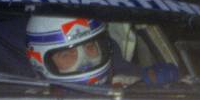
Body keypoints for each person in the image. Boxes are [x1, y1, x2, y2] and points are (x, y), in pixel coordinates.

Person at [25, 14, 181, 87]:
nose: (85, 60)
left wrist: (153, 77)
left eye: (90, 47)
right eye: (66, 54)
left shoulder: (119, 72)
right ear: (41, 61)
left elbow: (153, 75)